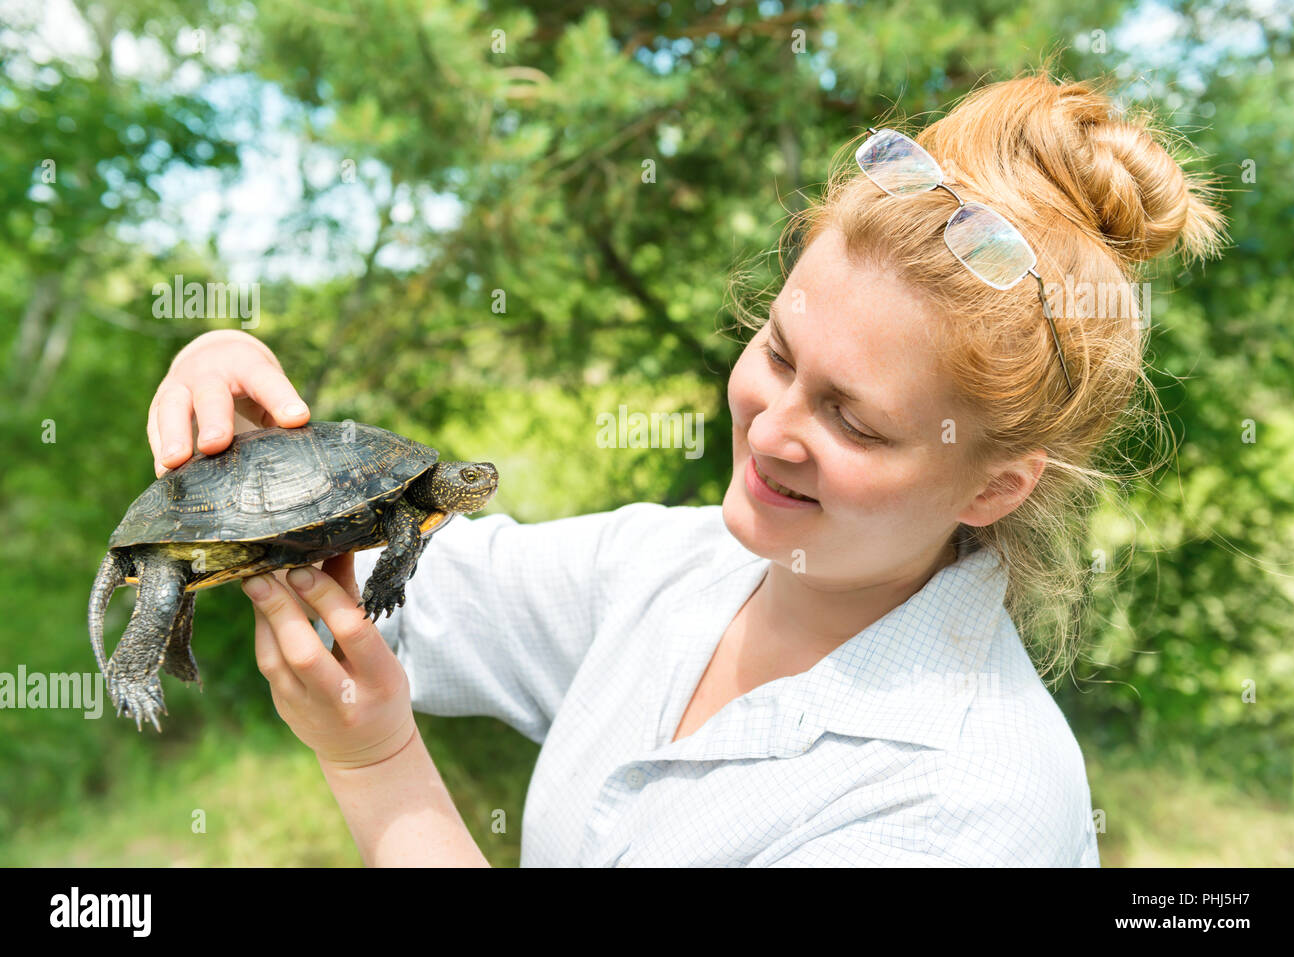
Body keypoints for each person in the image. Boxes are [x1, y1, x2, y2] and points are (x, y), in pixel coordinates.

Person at [145, 69, 1227, 866]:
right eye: (778, 354)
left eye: (854, 422)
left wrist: (376, 766)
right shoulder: (676, 565)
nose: (769, 431)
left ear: (995, 486)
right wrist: (242, 424)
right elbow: (394, 591)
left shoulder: (963, 814)